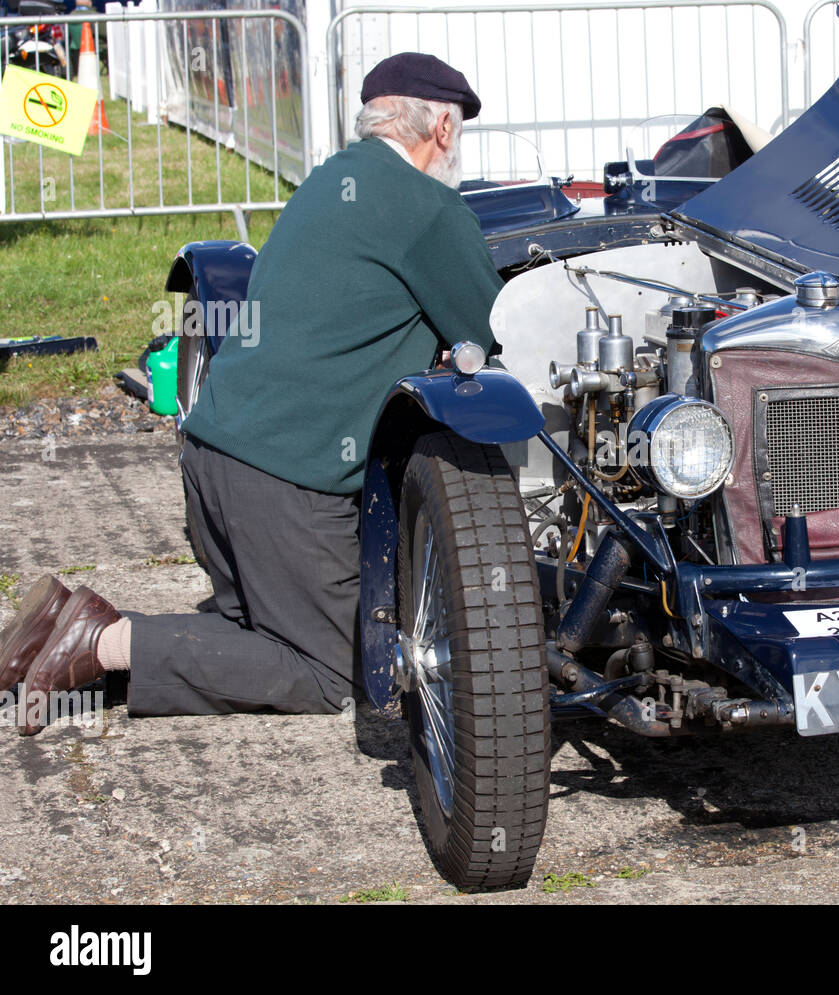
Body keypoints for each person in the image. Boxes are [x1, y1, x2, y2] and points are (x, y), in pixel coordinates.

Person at [0, 52, 503, 734]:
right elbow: (490, 336)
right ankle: (99, 642)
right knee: (326, 670)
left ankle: (58, 622)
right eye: (461, 131)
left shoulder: (329, 180)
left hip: (212, 458)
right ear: (441, 127)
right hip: (287, 486)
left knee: (247, 630)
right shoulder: (428, 206)